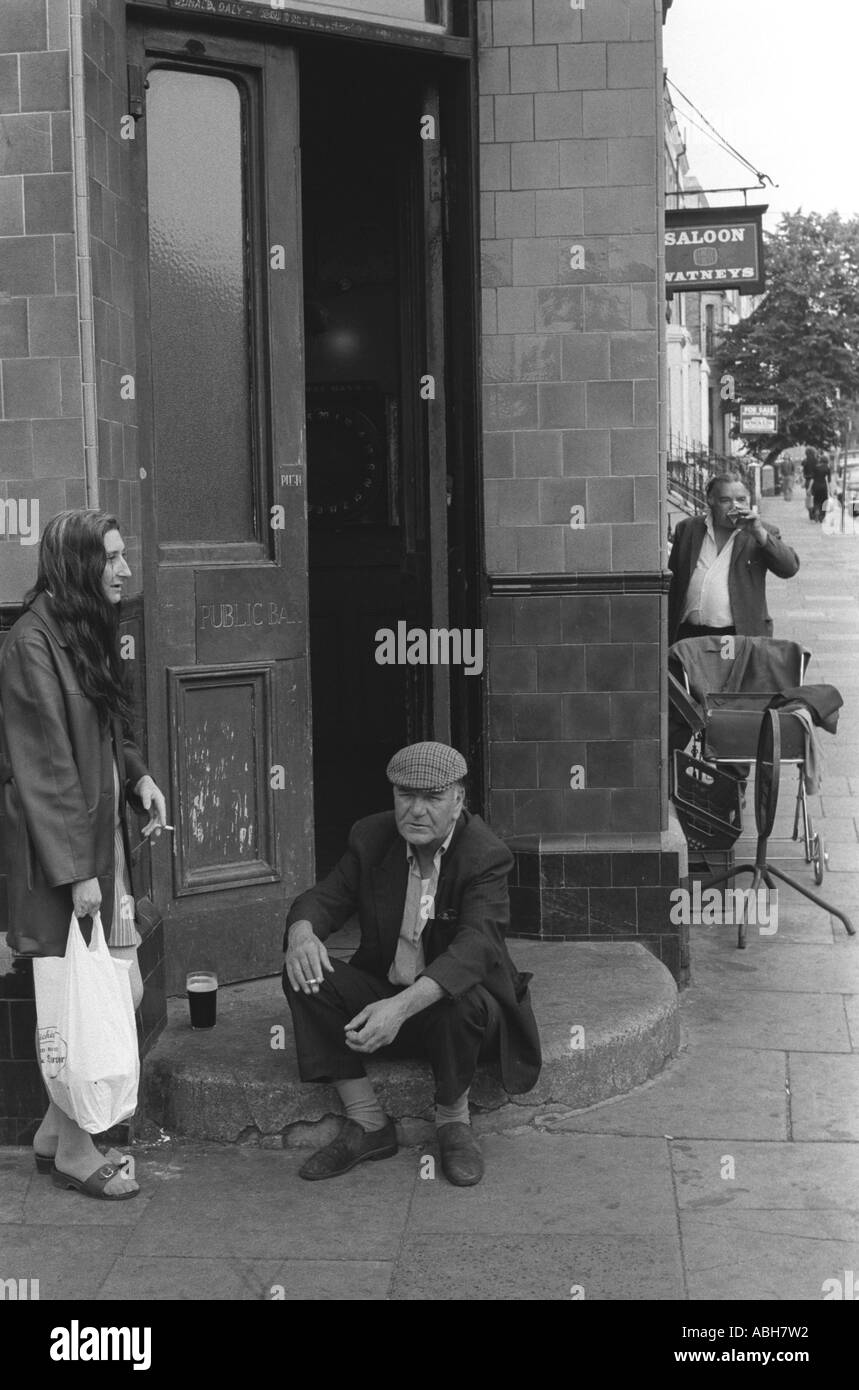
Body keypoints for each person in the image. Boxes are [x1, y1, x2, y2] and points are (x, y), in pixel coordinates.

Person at [0, 510, 168, 1200]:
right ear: (77, 564)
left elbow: (102, 729)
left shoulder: (80, 626)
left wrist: (138, 776)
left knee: (114, 985)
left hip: (103, 849)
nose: (125, 569)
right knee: (77, 995)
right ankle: (75, 1148)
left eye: (124, 555)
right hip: (69, 859)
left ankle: (50, 1131)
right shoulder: (29, 642)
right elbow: (46, 765)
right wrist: (77, 878)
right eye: (112, 557)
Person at [282, 741, 541, 1187]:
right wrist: (302, 932)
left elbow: (476, 948)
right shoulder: (372, 837)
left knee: (463, 1000)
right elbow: (326, 898)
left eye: (433, 797)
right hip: (388, 993)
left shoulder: (485, 855)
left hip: (455, 1012)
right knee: (306, 971)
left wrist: (400, 1008)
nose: (416, 811)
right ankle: (368, 1123)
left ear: (458, 799)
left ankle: (453, 1123)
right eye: (406, 795)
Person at [668, 471, 800, 645]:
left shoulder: (760, 532)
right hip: (688, 634)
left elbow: (789, 567)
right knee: (690, 673)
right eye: (725, 500)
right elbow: (673, 582)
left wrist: (759, 533)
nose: (734, 506)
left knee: (724, 671)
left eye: (741, 500)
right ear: (711, 500)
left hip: (733, 636)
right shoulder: (688, 529)